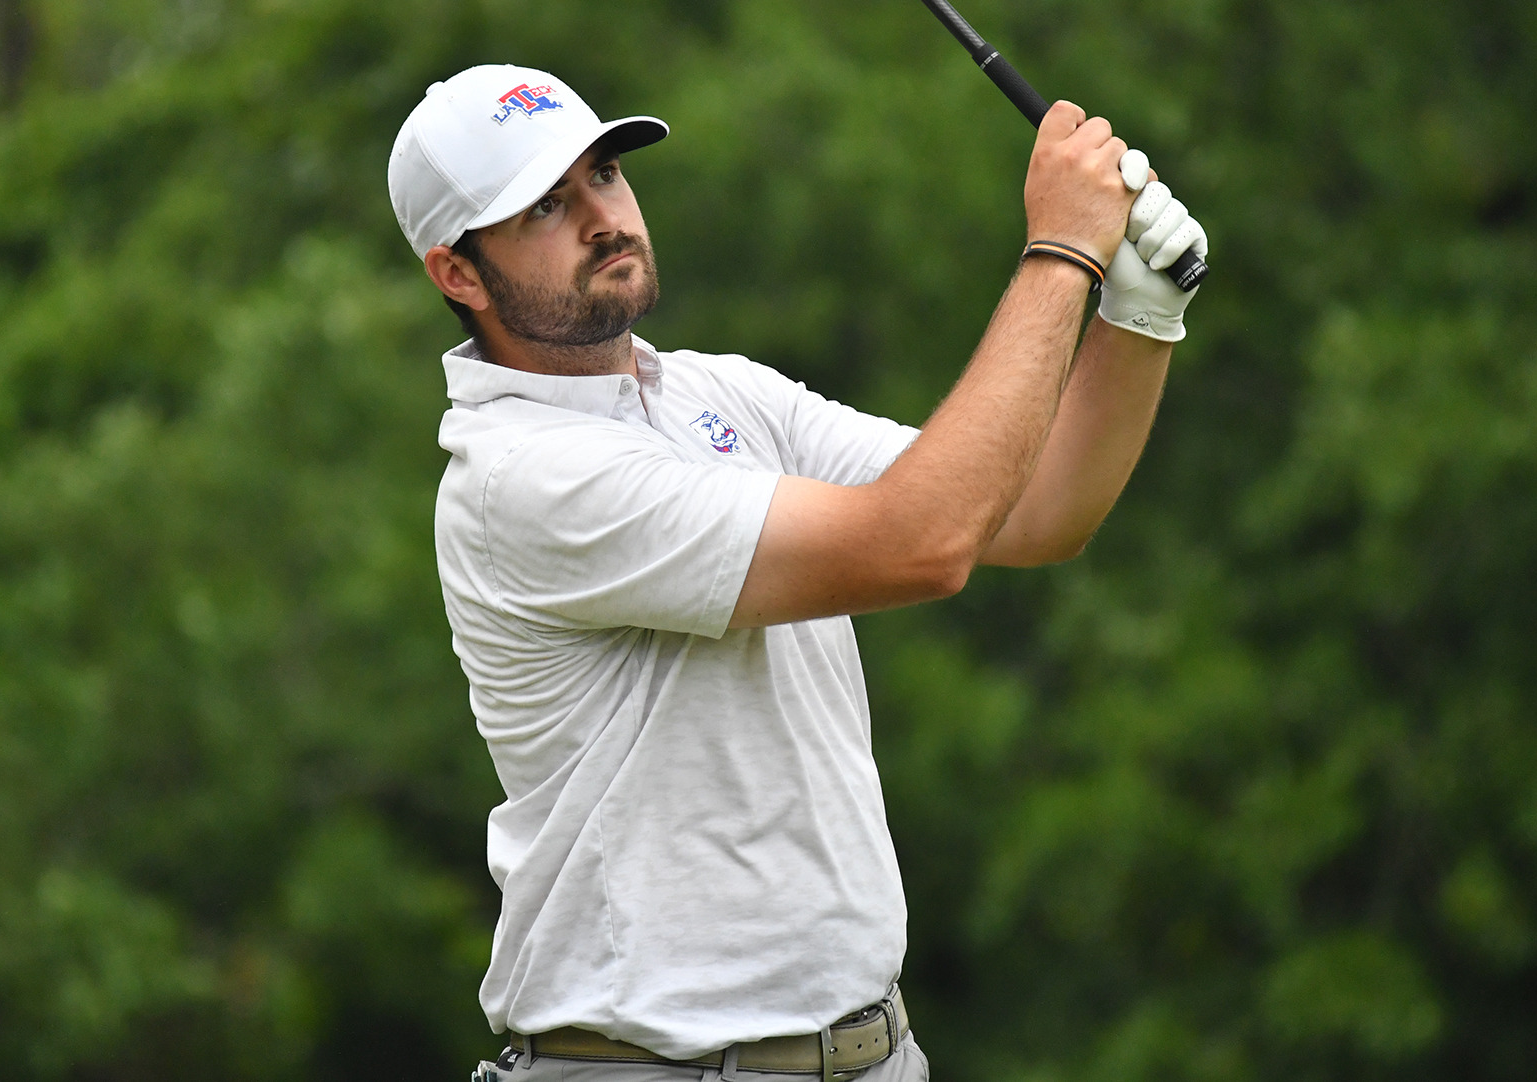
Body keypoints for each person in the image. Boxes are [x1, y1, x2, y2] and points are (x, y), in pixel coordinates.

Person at [387, 63, 1208, 1082]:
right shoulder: (522, 474)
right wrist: (1060, 252)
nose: (600, 216)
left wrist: (1138, 317)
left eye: (602, 174)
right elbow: (928, 540)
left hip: (869, 1051)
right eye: (544, 207)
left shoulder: (715, 393)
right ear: (457, 274)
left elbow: (1033, 511)